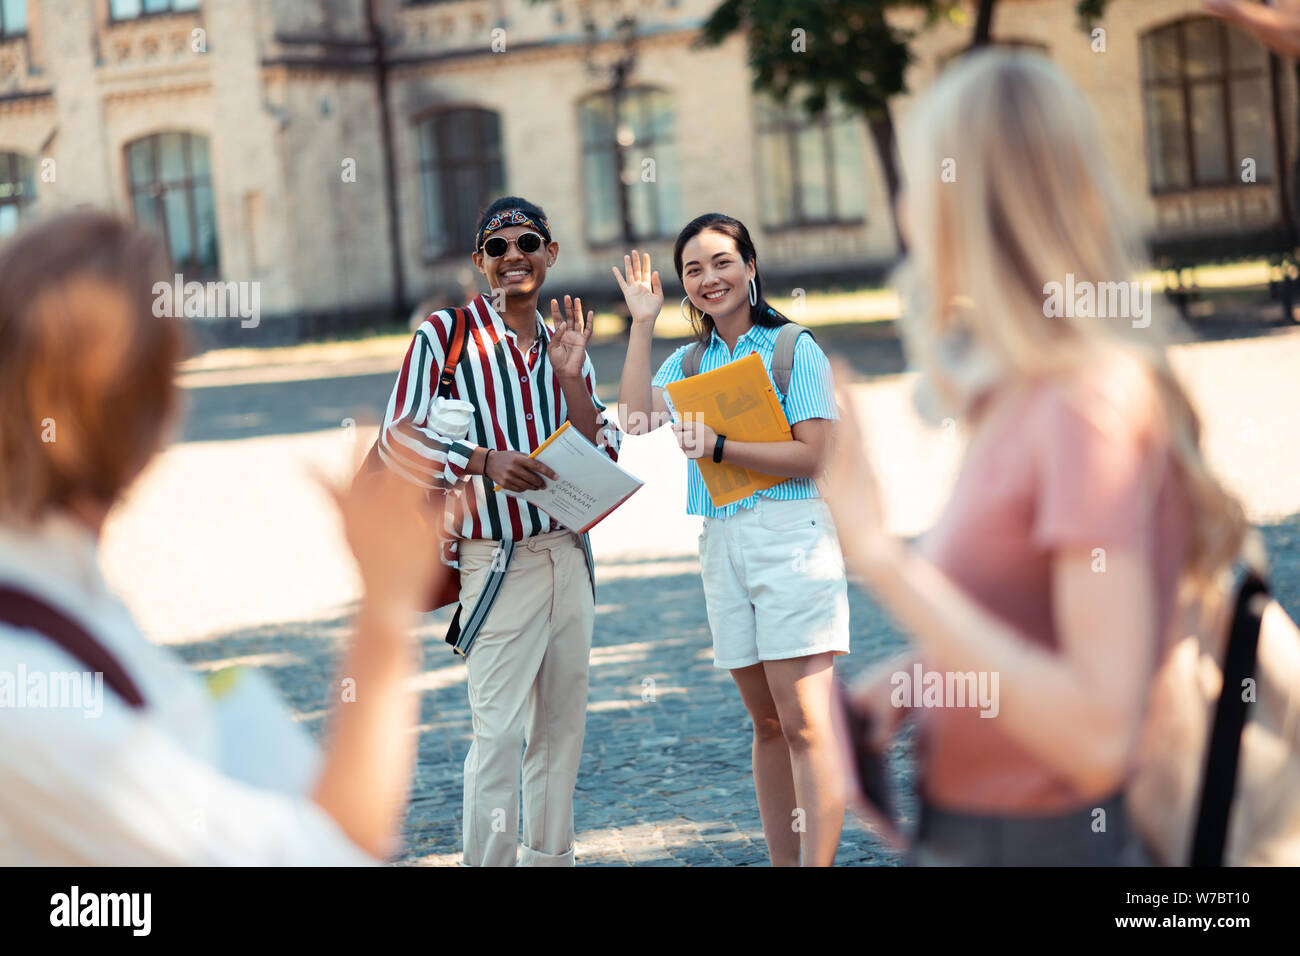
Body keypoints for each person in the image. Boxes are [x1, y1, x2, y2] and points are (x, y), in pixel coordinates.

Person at [820, 50, 1251, 865]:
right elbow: (1048, 626)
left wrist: (881, 557)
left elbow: (1094, 733)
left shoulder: (1084, 406)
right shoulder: (1022, 393)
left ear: (964, 202)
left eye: (917, 183)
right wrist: (923, 680)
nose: (905, 214)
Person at [0, 210, 441, 864]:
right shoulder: (27, 691)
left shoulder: (62, 594)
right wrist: (386, 609)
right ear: (154, 422)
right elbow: (326, 857)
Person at [378, 196, 622, 867]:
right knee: (498, 737)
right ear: (480, 263)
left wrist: (573, 380)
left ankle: (550, 860)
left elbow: (604, 454)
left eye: (528, 242)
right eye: (498, 247)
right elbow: (396, 438)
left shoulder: (564, 343)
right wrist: (484, 462)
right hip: (497, 561)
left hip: (569, 558)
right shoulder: (446, 337)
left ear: (551, 254)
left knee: (560, 732)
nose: (514, 256)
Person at [613, 214, 850, 866]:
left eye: (721, 262)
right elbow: (633, 419)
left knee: (805, 724)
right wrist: (640, 322)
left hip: (791, 537)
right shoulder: (688, 361)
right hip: (721, 540)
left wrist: (718, 445)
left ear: (749, 266)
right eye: (693, 268)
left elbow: (812, 458)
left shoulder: (792, 349)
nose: (708, 277)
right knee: (767, 724)